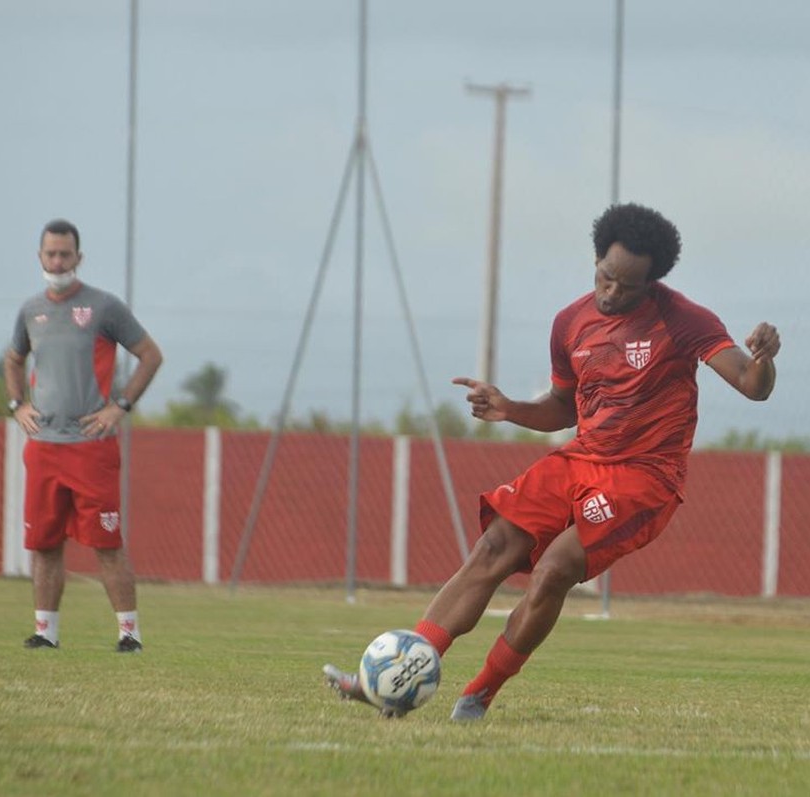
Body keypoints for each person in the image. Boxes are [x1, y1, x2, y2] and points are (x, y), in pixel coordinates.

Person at [324, 202, 780, 719]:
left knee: (554, 568)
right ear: (596, 260)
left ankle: (480, 691)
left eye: (627, 287)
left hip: (644, 479)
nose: (611, 292)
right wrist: (510, 408)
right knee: (493, 546)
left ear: (652, 283)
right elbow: (564, 408)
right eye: (605, 276)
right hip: (580, 459)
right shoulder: (570, 322)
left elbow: (751, 386)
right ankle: (395, 680)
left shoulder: (684, 319)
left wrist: (764, 361)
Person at [4, 218, 164, 652]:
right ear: (40, 257)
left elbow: (150, 355)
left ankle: (129, 634)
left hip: (91, 448)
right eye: (51, 253)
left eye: (65, 254)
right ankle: (46, 632)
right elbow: (14, 359)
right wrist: (18, 406)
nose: (58, 261)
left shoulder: (103, 307)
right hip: (44, 448)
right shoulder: (30, 310)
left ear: (79, 257)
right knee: (44, 543)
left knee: (106, 544)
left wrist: (121, 406)